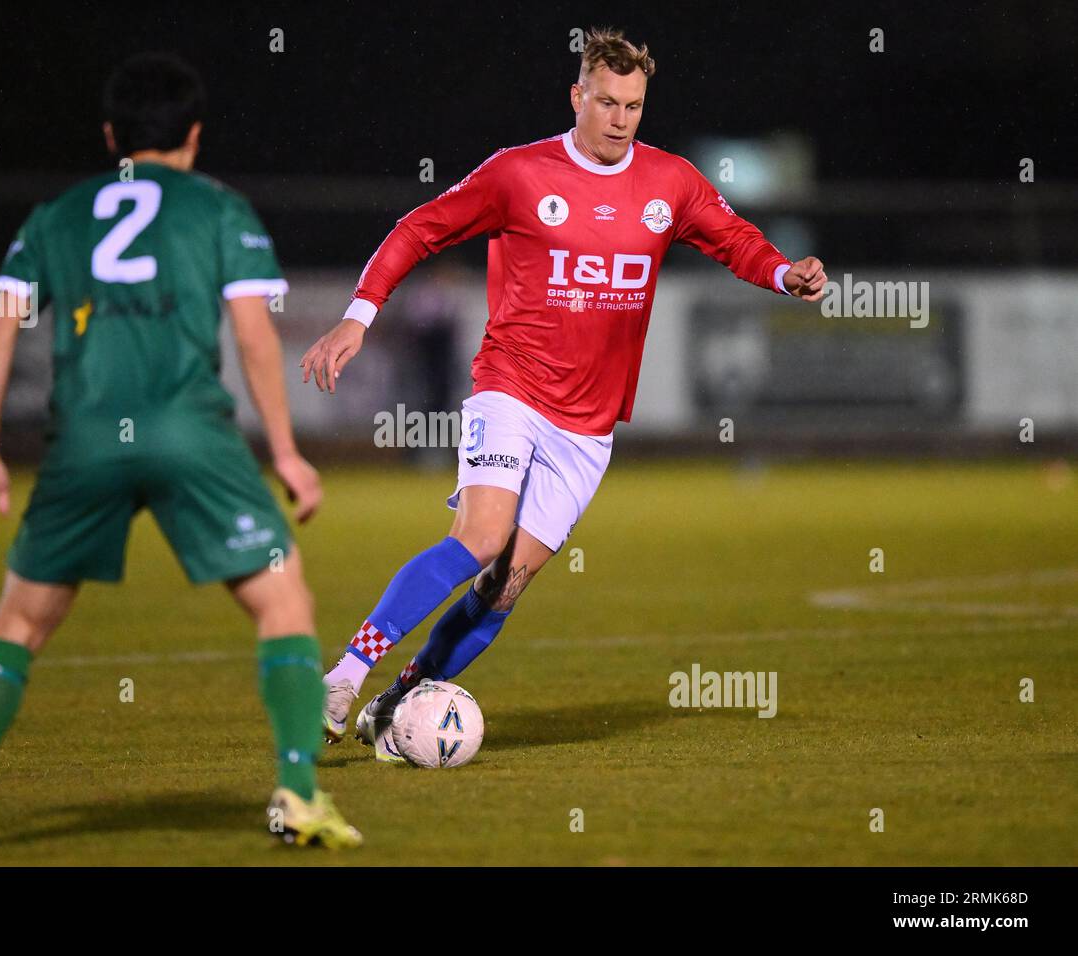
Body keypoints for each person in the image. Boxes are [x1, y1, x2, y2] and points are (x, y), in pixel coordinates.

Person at [300, 28, 827, 761]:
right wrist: (360, 315)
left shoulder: (669, 183)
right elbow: (419, 230)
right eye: (605, 101)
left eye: (633, 106)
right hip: (511, 384)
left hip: (588, 425)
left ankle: (398, 702)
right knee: (482, 537)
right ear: (577, 96)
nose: (618, 118)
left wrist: (781, 273)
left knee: (505, 582)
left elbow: (733, 239)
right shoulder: (519, 175)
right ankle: (345, 674)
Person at [0, 52, 360, 849]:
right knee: (282, 599)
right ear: (193, 135)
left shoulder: (58, 215)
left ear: (110, 134)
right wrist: (287, 451)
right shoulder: (220, 209)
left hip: (84, 440)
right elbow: (255, 334)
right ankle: (297, 793)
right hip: (192, 433)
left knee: (19, 620)